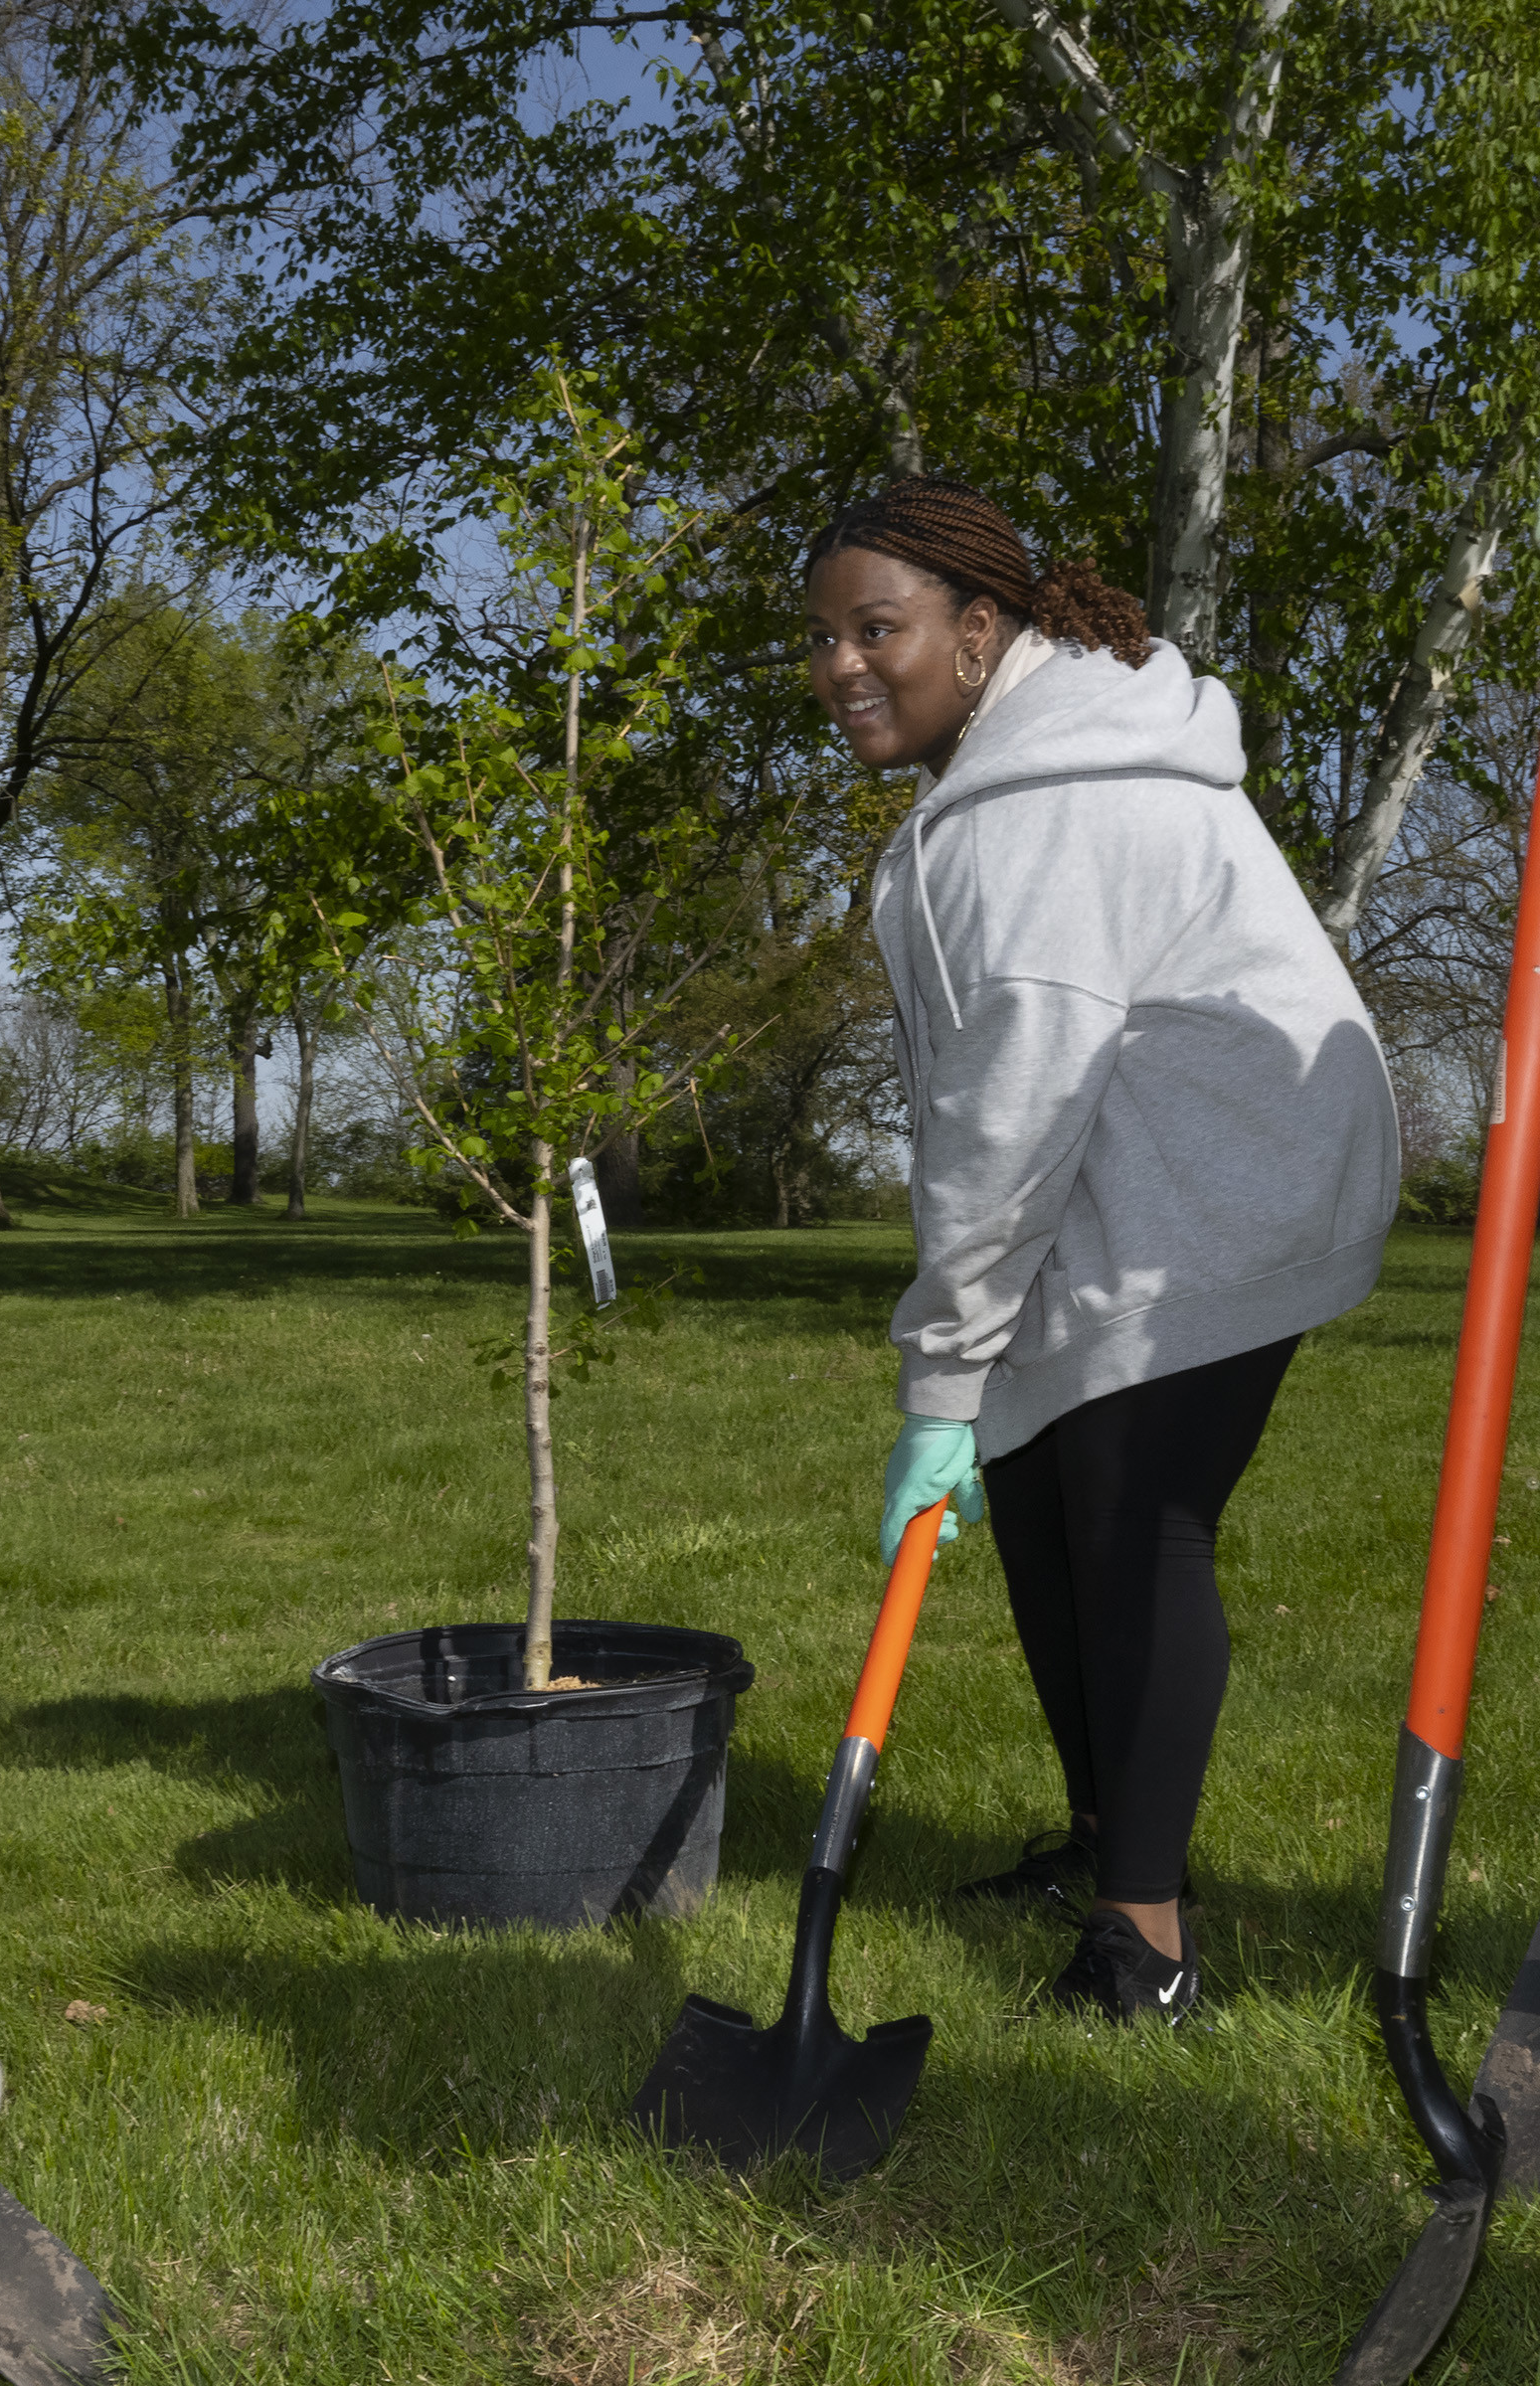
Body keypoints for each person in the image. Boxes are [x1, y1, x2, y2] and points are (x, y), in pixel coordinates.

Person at [803, 476, 1399, 2025]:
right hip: (1131, 1180)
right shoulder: (1010, 784)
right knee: (1048, 1506)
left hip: (1219, 1191)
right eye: (824, 640)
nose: (845, 667)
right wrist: (976, 1382)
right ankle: (1103, 1844)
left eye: (882, 629)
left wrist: (943, 1371)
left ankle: (1148, 1948)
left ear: (981, 626)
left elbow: (1012, 1113)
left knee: (1134, 1523)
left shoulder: (1046, 811)